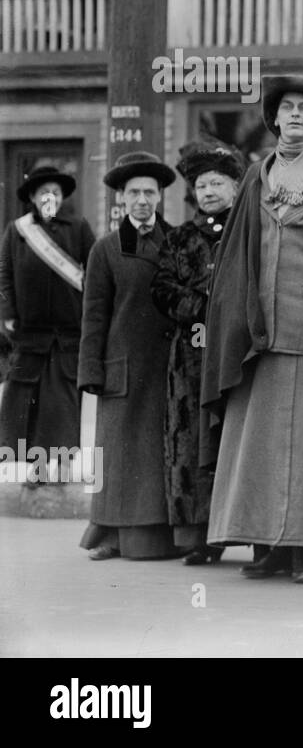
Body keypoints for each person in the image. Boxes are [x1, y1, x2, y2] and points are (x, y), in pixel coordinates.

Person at [201, 75, 303, 584]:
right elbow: (237, 253)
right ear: (274, 119)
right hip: (259, 331)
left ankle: (300, 552)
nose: (293, 116)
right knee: (261, 444)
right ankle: (266, 544)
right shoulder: (256, 175)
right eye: (286, 109)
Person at [78, 152, 178, 560]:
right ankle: (111, 537)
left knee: (157, 456)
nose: (142, 200)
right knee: (117, 455)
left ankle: (160, 540)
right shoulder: (106, 249)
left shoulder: (174, 242)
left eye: (149, 192)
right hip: (121, 368)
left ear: (159, 197)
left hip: (165, 369)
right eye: (134, 192)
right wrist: (91, 370)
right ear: (121, 197)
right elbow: (94, 314)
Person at [150, 141, 246, 565]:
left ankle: (232, 531)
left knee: (229, 436)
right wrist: (202, 305)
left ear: (234, 186)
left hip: (233, 353)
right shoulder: (179, 237)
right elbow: (161, 289)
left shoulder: (247, 233)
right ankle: (196, 537)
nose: (208, 191)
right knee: (189, 442)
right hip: (188, 356)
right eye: (201, 184)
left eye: (217, 183)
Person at [0, 165, 95, 479]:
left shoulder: (78, 226)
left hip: (68, 334)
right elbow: (4, 275)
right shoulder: (17, 230)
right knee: (25, 402)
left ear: (62, 197)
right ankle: (35, 467)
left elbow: (94, 275)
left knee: (63, 406)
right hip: (30, 334)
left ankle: (63, 466)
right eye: (43, 192)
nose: (49, 197)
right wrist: (9, 314)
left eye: (55, 192)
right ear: (32, 198)